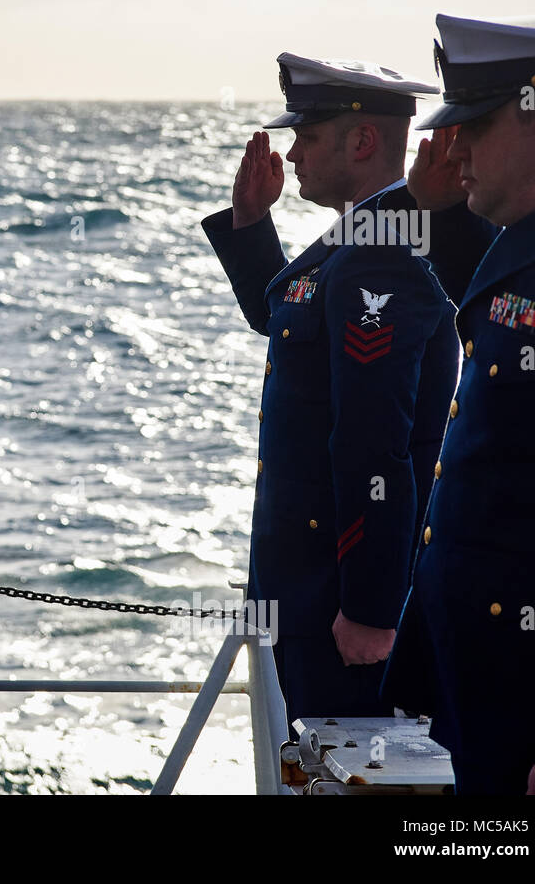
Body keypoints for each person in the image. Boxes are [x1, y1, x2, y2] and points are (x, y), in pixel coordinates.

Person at [200, 54, 460, 729]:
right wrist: (252, 223)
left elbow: (377, 443)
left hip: (339, 604)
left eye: (307, 138)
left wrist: (372, 608)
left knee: (345, 766)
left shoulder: (384, 253)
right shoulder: (360, 240)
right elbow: (292, 323)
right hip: (311, 591)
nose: (292, 153)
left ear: (363, 141)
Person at [382, 13, 535, 795]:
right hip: (478, 692)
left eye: (478, 122)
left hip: (531, 717)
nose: (454, 145)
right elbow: (491, 309)